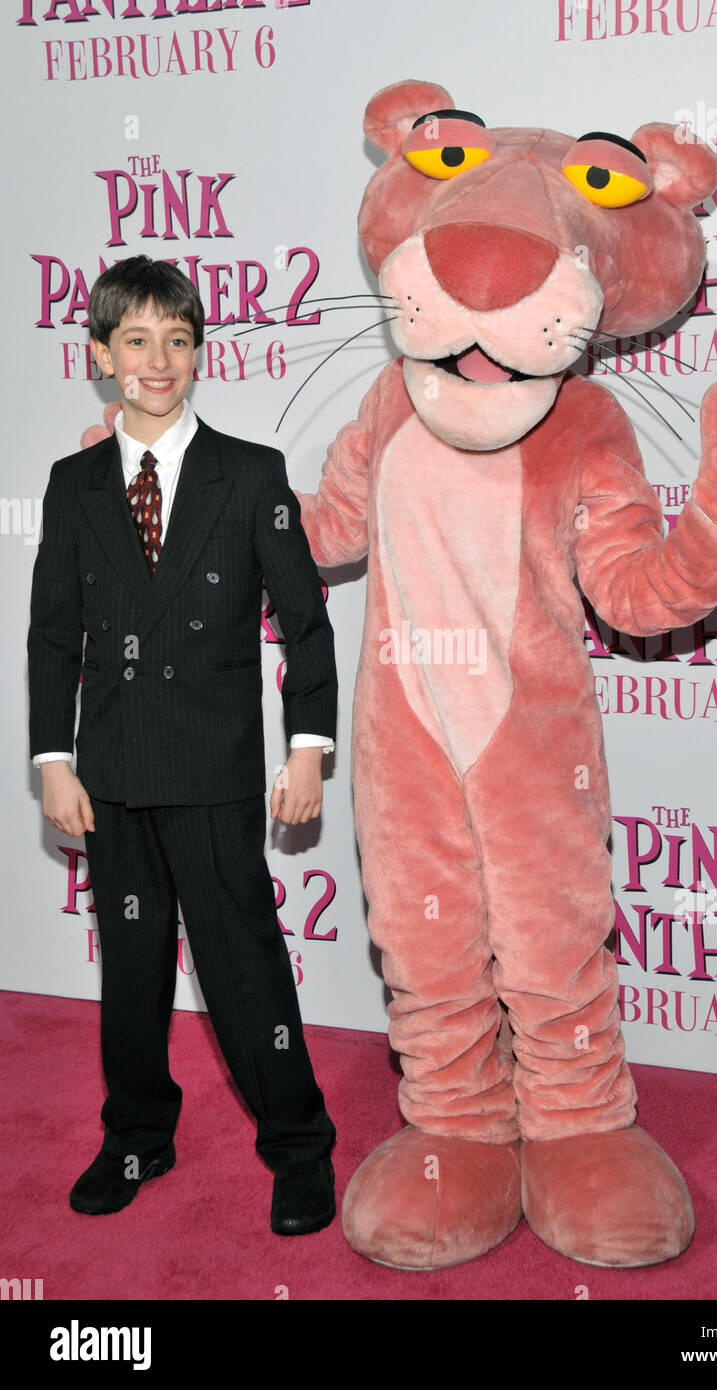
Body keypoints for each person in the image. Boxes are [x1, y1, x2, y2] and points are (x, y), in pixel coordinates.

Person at [27, 255, 338, 1235]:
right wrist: (52, 760)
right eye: (136, 341)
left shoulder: (250, 475)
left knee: (243, 962)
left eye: (177, 339)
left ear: (198, 351)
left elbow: (305, 624)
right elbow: (52, 636)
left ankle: (297, 1145)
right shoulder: (73, 483)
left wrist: (305, 749)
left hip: (212, 772)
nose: (158, 360)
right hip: (113, 774)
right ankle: (137, 1138)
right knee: (129, 966)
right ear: (99, 357)